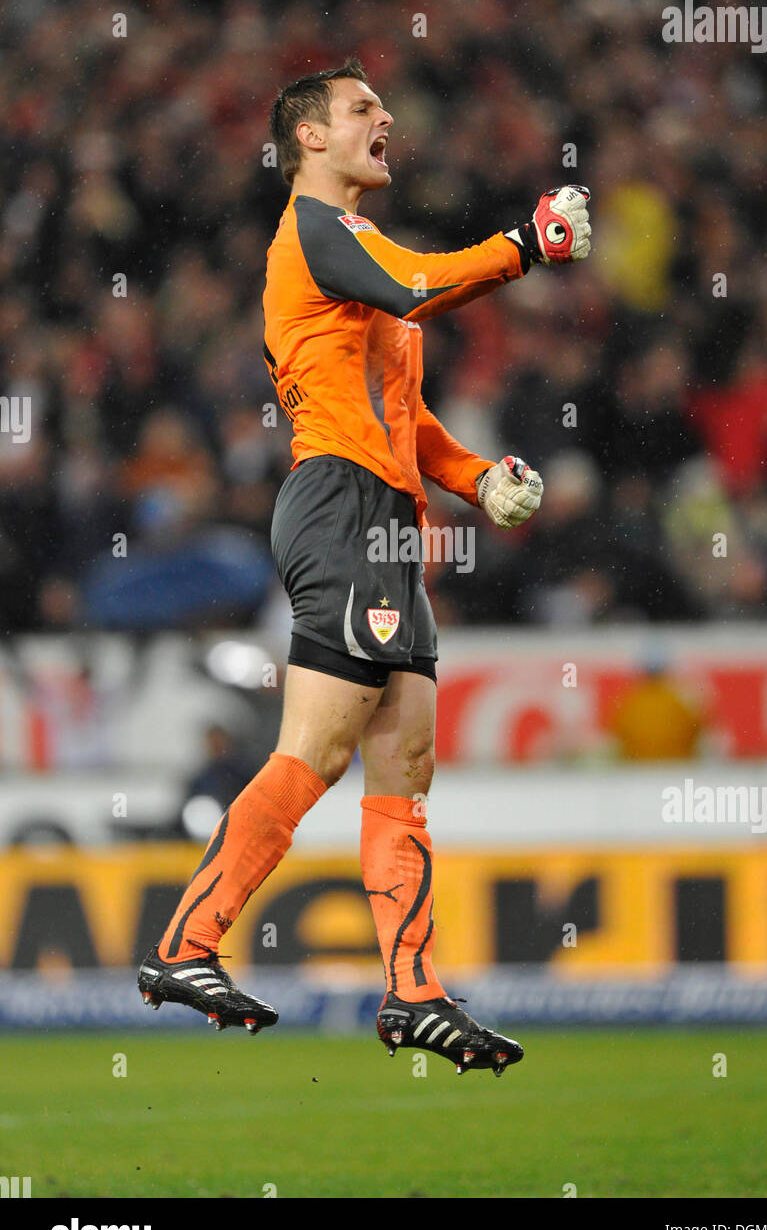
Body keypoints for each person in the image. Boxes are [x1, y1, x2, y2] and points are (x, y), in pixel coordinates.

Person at [137, 58, 591, 1076]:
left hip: (390, 514)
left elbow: (412, 421)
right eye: (359, 109)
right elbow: (416, 287)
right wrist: (522, 245)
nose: (384, 120)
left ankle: (413, 990)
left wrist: (476, 479)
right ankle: (187, 943)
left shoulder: (360, 252)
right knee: (324, 744)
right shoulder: (315, 232)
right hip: (338, 503)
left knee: (404, 759)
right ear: (308, 137)